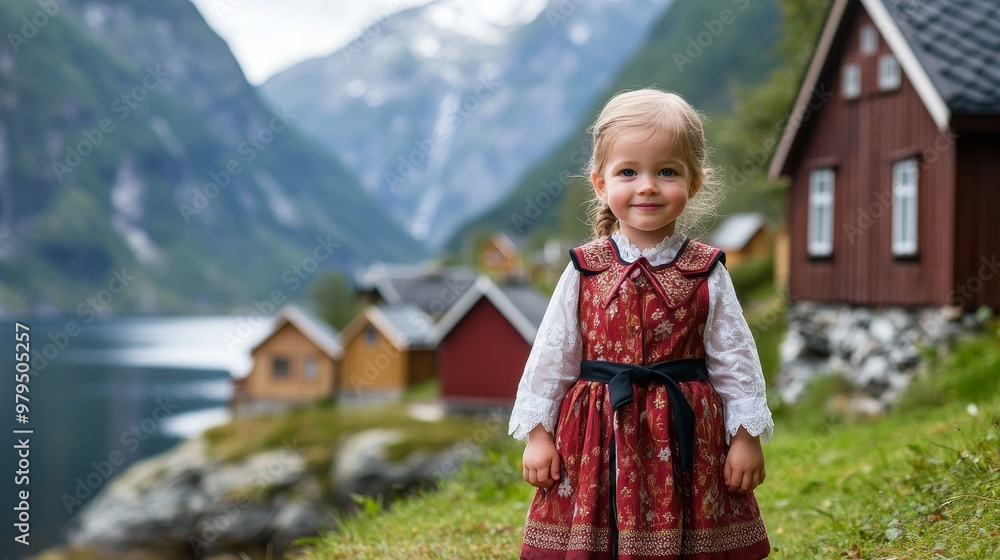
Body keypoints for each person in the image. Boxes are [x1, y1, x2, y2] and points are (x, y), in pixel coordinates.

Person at [508, 88, 774, 559]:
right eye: (628, 171)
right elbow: (552, 355)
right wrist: (538, 435)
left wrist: (746, 439)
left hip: (685, 435)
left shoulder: (706, 269)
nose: (647, 185)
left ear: (694, 183)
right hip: (595, 433)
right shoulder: (584, 268)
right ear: (600, 183)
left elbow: (736, 360)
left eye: (667, 171)